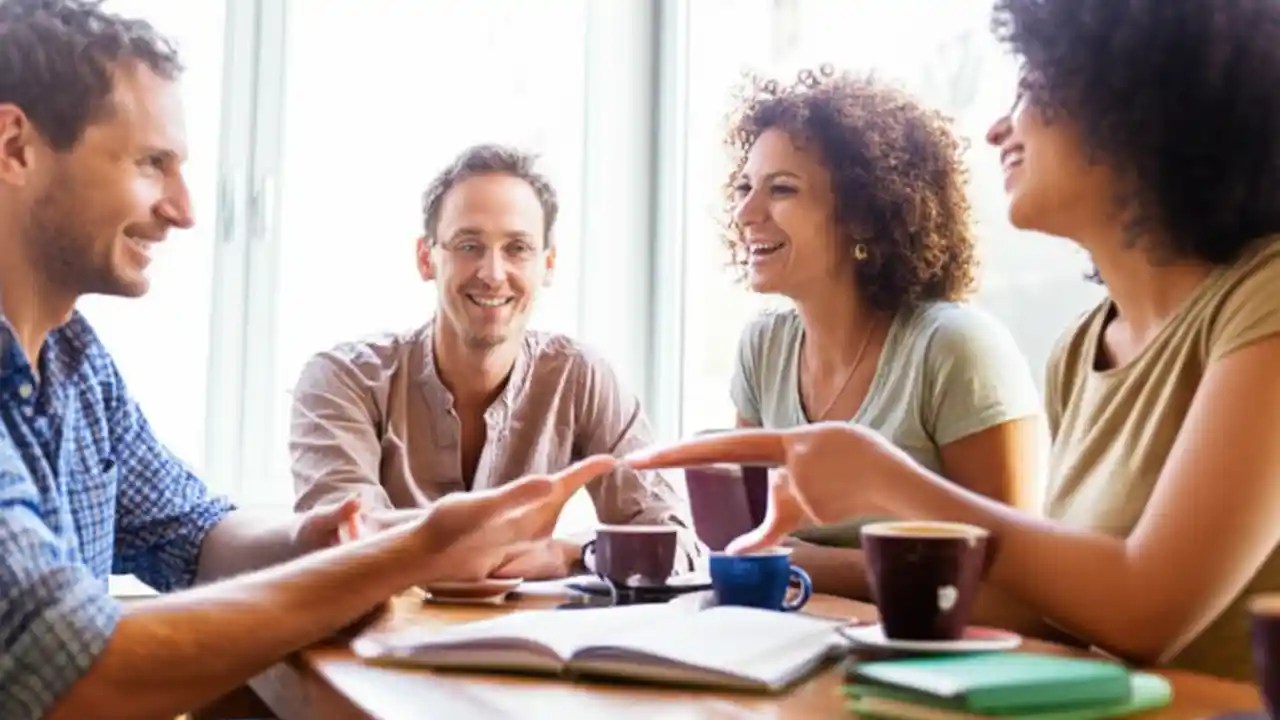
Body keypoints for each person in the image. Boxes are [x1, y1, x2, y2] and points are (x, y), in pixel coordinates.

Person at [627, 0, 1280, 681]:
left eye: (1033, 89)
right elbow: (1057, 607)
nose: (999, 127)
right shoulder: (1082, 348)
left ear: (1138, 102)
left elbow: (1145, 612)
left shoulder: (1265, 298)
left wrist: (882, 478)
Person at [0, 2, 615, 718]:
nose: (186, 208)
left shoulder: (78, 362)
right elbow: (70, 669)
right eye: (151, 164)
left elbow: (193, 532)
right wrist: (410, 553)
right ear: (14, 147)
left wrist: (332, 536)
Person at [290, 143, 698, 580]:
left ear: (548, 264)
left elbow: (673, 541)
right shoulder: (341, 379)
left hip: (531, 641)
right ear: (426, 258)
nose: (493, 273)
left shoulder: (580, 377)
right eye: (469, 245)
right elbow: (338, 544)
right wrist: (497, 544)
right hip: (381, 642)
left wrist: (569, 554)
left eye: (518, 248)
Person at [723, 67, 1041, 597]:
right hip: (792, 649)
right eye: (743, 186)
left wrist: (807, 565)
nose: (746, 212)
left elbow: (1013, 582)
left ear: (866, 216)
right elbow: (746, 543)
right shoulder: (763, 348)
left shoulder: (955, 349)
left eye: (781, 189)